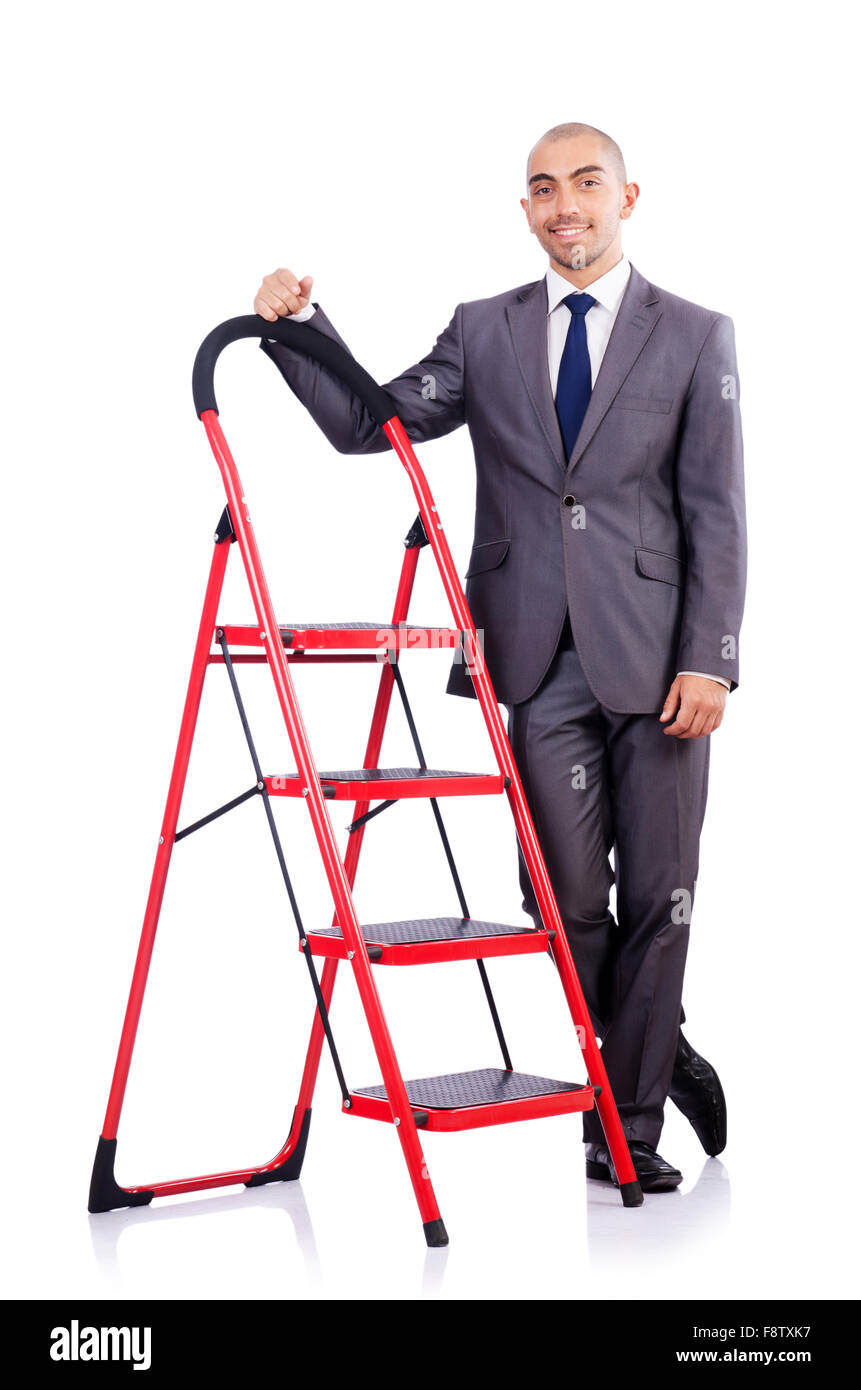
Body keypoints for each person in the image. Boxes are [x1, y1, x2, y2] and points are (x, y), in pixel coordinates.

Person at [252, 122, 746, 1193]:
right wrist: (299, 331)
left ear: (628, 197)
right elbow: (370, 423)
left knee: (662, 895)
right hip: (534, 659)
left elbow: (717, 509)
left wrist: (711, 658)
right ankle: (663, 1041)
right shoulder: (486, 331)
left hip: (662, 664)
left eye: (584, 184)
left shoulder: (697, 334)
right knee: (558, 900)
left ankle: (628, 1123)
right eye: (541, 189)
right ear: (524, 211)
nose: (563, 204)